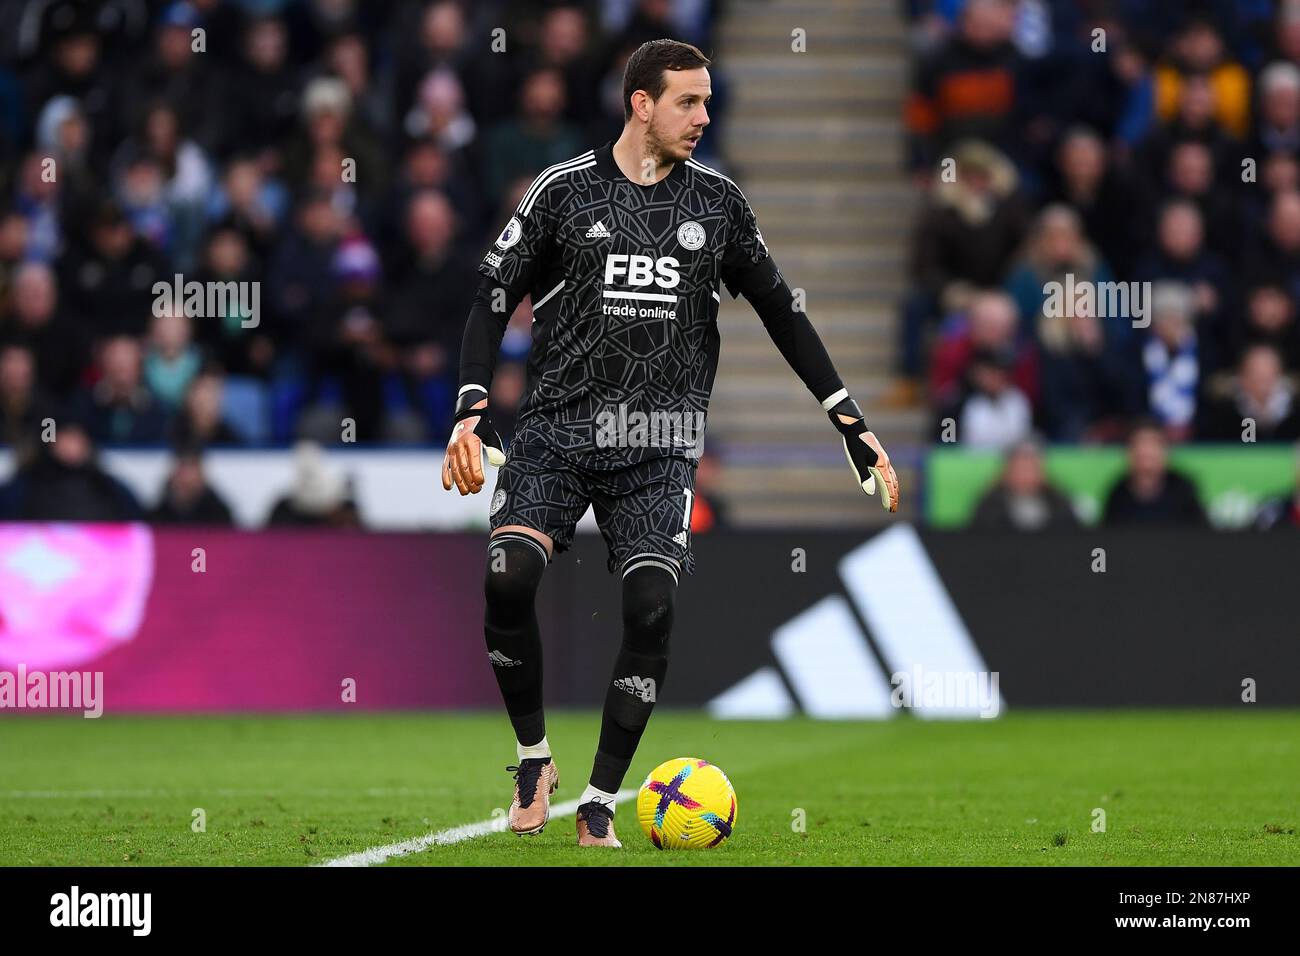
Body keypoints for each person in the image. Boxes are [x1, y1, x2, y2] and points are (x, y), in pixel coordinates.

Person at [442, 39, 899, 848]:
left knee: (650, 607)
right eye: (688, 101)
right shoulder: (562, 191)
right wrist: (471, 407)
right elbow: (490, 295)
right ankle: (533, 757)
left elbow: (781, 312)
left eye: (708, 100)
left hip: (659, 445)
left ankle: (598, 800)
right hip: (556, 432)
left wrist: (848, 419)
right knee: (508, 578)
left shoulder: (719, 205)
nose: (704, 116)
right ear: (641, 104)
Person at [1102, 419, 1206, 527]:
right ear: (1128, 452)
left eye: (1153, 444)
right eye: (1140, 444)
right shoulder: (1118, 494)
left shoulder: (1183, 490)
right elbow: (1106, 539)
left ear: (1165, 451)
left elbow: (1204, 537)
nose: (1146, 452)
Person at [971, 438, 1078, 531]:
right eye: (1020, 468)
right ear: (1006, 471)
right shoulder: (989, 506)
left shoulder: (1059, 503)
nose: (1026, 474)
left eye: (1031, 467)